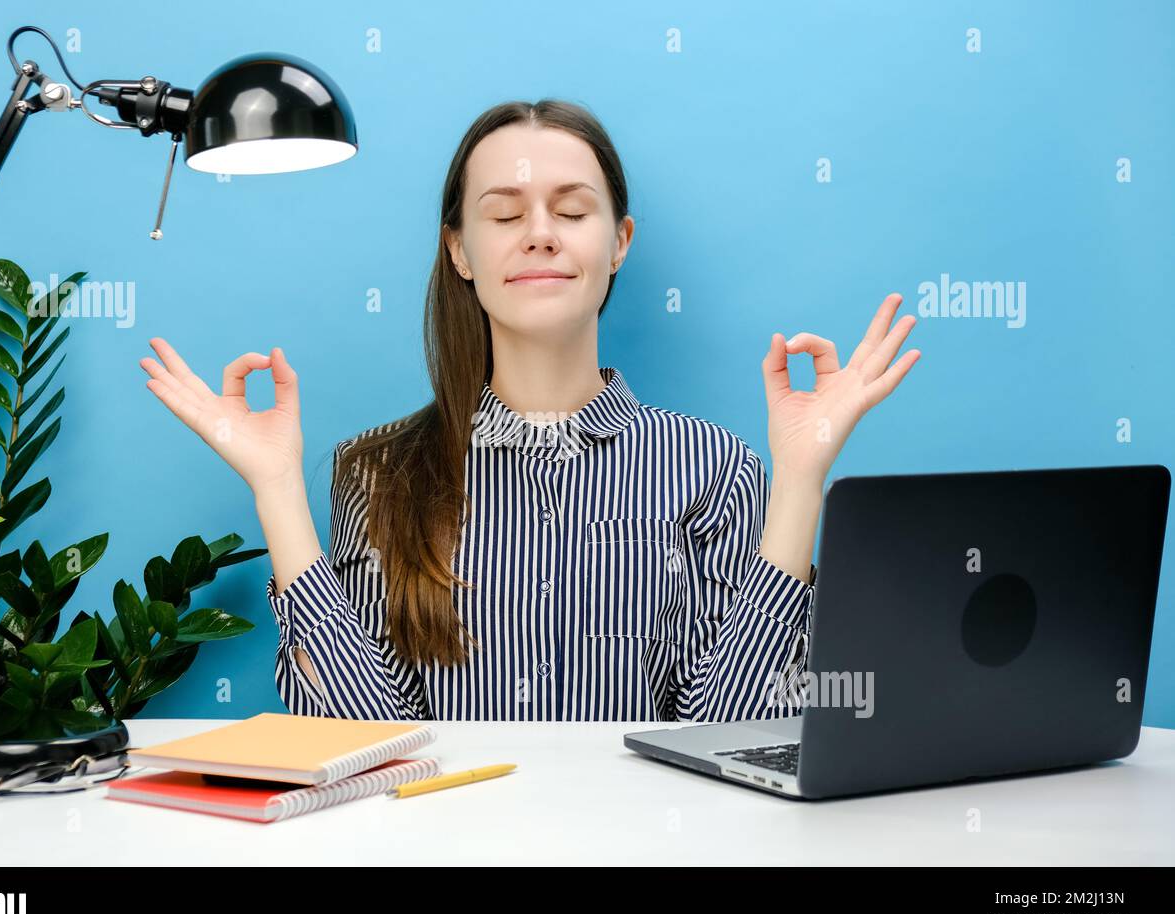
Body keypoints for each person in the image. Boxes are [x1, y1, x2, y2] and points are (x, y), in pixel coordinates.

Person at [139, 99, 920, 722]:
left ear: (619, 242)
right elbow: (367, 746)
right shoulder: (377, 472)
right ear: (460, 252)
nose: (540, 235)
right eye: (506, 216)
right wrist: (277, 489)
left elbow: (729, 734)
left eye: (572, 211)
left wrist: (801, 481)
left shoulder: (714, 469)